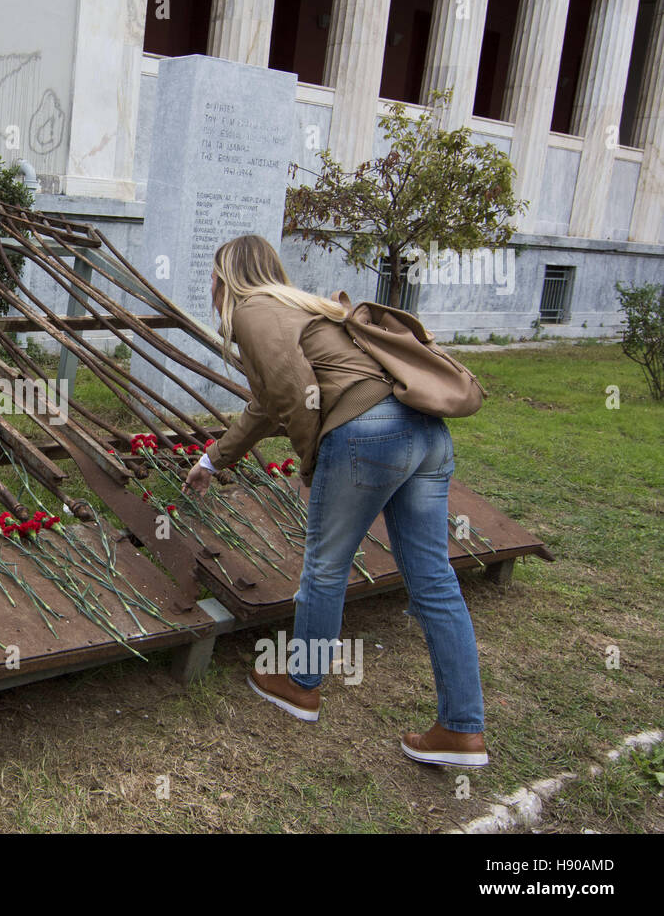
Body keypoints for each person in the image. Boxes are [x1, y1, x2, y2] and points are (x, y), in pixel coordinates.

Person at [183, 234, 488, 767]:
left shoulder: (254, 310)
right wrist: (213, 460)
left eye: (211, 276)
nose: (209, 288)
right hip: (425, 434)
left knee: (325, 568)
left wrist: (313, 459)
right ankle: (462, 730)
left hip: (368, 434)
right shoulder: (299, 308)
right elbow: (266, 403)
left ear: (224, 277)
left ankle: (301, 684)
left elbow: (293, 389)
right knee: (435, 579)